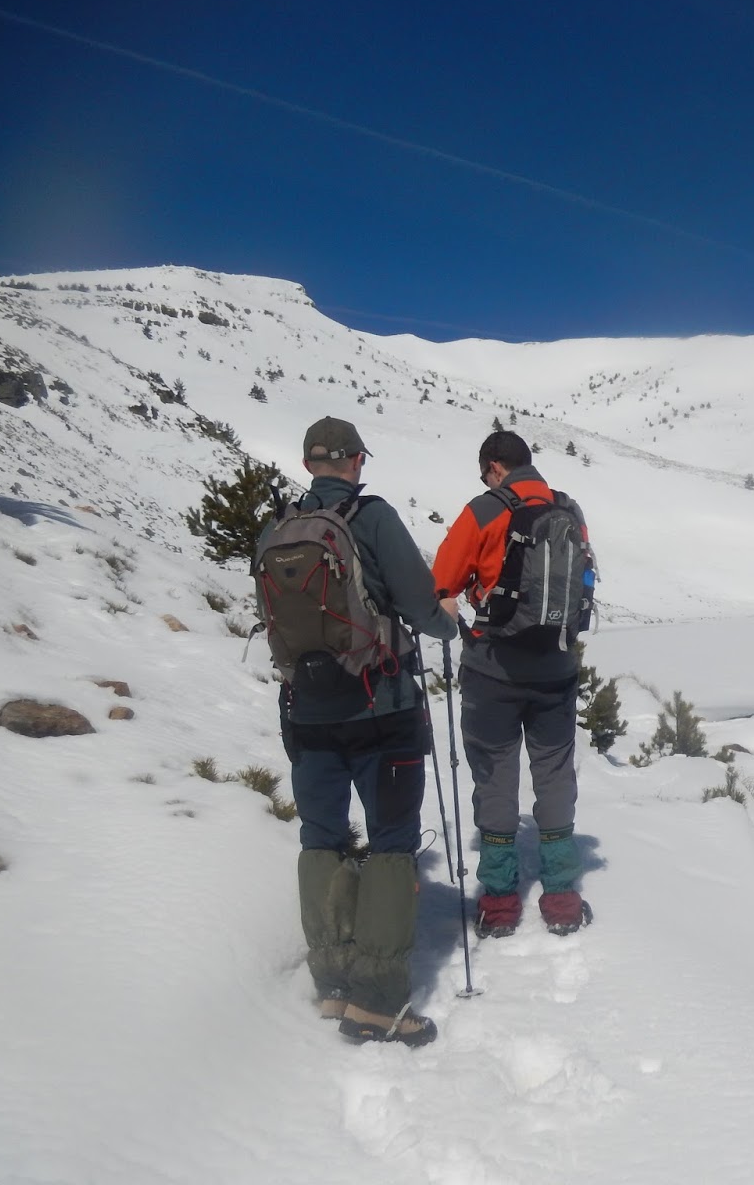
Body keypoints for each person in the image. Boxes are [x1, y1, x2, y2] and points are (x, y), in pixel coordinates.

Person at [257, 416, 457, 1046]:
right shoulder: (371, 518)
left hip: (307, 712)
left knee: (321, 838)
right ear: (353, 461)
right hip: (382, 709)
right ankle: (376, 1000)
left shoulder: (277, 530)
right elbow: (422, 607)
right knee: (393, 842)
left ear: (310, 462)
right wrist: (449, 623)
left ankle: (332, 985)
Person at [433, 431, 590, 938]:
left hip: (493, 669)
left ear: (495, 467)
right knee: (554, 773)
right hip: (557, 667)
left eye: (485, 472)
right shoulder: (570, 510)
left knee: (496, 777)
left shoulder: (485, 510)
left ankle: (500, 902)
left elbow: (442, 581)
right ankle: (562, 895)